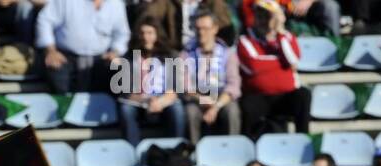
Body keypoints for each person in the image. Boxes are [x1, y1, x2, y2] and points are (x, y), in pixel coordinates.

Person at [236, 0, 308, 139]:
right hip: (258, 96)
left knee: (303, 95)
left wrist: (279, 33)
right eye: (260, 15)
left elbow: (293, 61)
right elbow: (254, 67)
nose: (263, 20)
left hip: (285, 96)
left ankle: (302, 140)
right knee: (248, 104)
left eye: (268, 16)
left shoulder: (286, 37)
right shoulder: (245, 39)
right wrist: (282, 65)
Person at [35, 0, 129, 95]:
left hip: (101, 58)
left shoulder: (116, 4)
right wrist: (51, 51)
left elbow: (122, 34)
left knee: (121, 73)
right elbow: (45, 20)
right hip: (66, 57)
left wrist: (115, 52)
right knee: (56, 72)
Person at [117, 16, 183, 150]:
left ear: (157, 34)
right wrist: (147, 101)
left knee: (177, 109)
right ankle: (132, 152)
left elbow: (176, 89)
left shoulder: (171, 56)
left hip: (164, 101)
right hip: (139, 102)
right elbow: (126, 92)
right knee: (126, 110)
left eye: (150, 33)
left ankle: (176, 150)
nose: (145, 37)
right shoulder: (128, 58)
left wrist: (159, 102)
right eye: (142, 33)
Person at [180, 6, 242, 143]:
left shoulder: (228, 53)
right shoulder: (186, 55)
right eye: (198, 29)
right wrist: (205, 101)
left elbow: (233, 86)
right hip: (196, 99)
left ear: (215, 29)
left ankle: (232, 150)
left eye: (206, 28)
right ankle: (193, 153)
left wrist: (216, 106)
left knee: (232, 111)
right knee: (190, 113)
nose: (201, 33)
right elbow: (185, 87)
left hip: (221, 99)